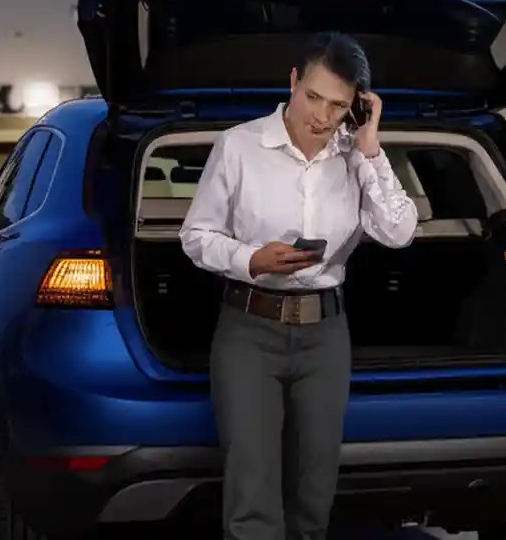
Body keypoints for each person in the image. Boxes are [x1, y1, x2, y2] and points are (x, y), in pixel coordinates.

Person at [178, 31, 419, 540]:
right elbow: (195, 237)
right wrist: (252, 258)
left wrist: (372, 152)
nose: (322, 116)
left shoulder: (356, 156)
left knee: (314, 492)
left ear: (356, 106)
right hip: (248, 330)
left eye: (338, 105)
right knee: (252, 490)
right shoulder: (239, 146)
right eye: (313, 97)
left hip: (325, 336)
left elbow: (398, 232)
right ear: (293, 81)